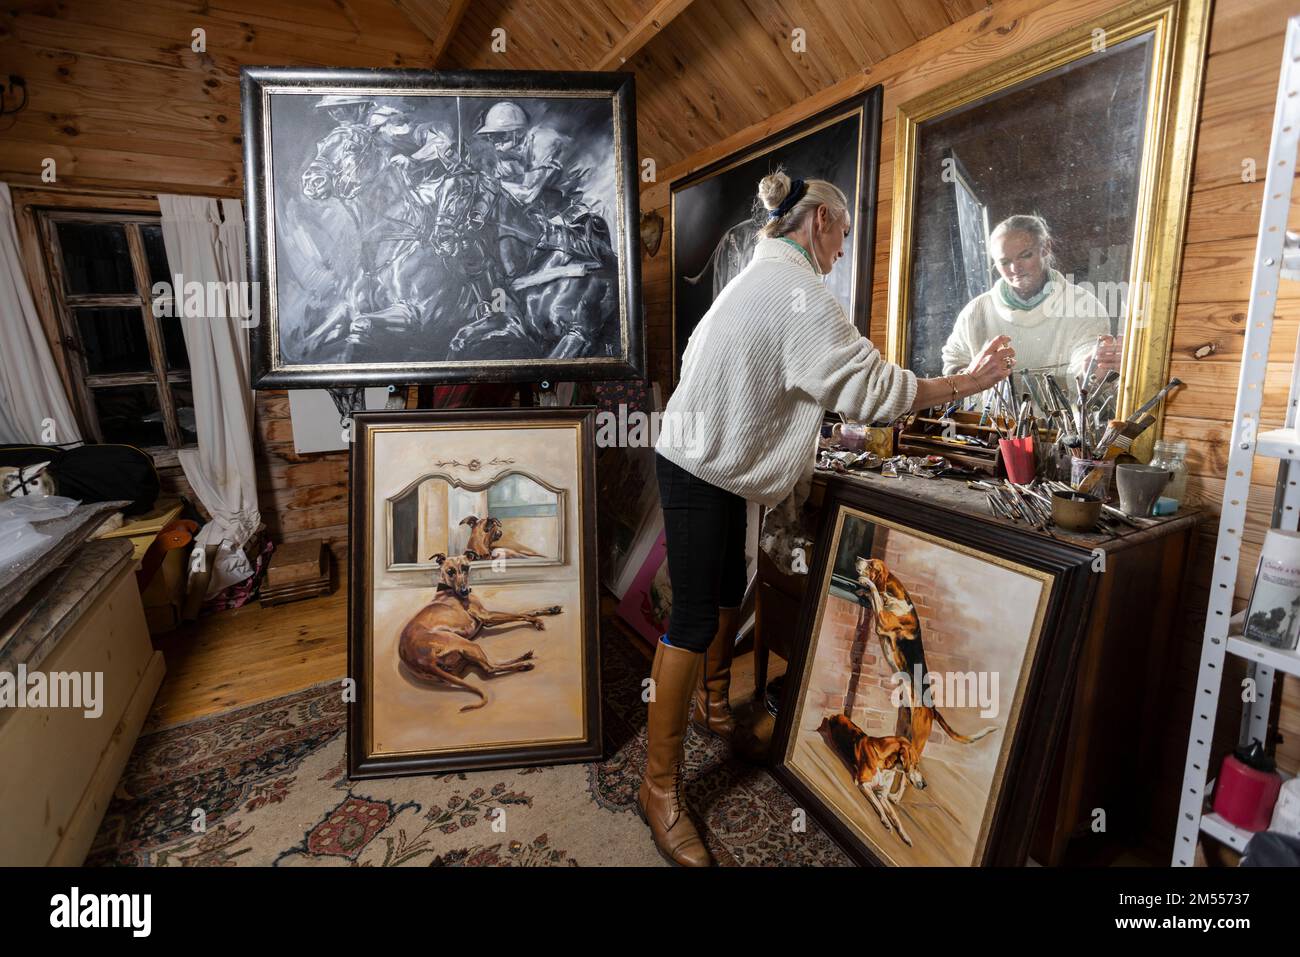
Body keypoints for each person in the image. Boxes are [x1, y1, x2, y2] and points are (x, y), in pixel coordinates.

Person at [641, 170, 1017, 866]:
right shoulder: (800, 292)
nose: (843, 248)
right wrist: (968, 382)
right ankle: (658, 786)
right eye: (843, 232)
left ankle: (715, 706)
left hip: (718, 460)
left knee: (729, 591)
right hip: (697, 462)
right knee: (695, 616)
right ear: (818, 222)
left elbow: (706, 359)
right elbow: (877, 391)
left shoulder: (758, 278)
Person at [940, 213, 1121, 406]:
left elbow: (1085, 366)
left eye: (1025, 256)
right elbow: (953, 363)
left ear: (1046, 248)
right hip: (990, 429)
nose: (1015, 268)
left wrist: (1090, 371)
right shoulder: (975, 311)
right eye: (1004, 262)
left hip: (1060, 434)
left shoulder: (1084, 307)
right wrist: (971, 376)